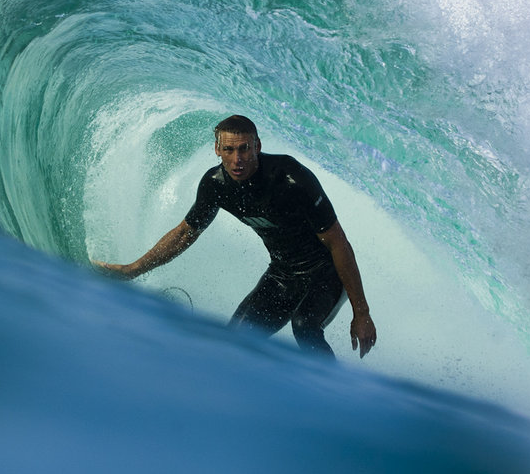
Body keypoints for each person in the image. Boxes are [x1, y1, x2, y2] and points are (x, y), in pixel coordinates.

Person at [93, 115, 377, 359]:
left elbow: (338, 243)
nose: (237, 159)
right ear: (217, 149)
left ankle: (330, 398)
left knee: (305, 326)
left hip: (326, 274)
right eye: (229, 150)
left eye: (244, 149)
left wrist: (361, 313)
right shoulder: (216, 186)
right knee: (234, 342)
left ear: (258, 147)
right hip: (283, 275)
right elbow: (183, 235)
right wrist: (132, 269)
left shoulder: (290, 179)